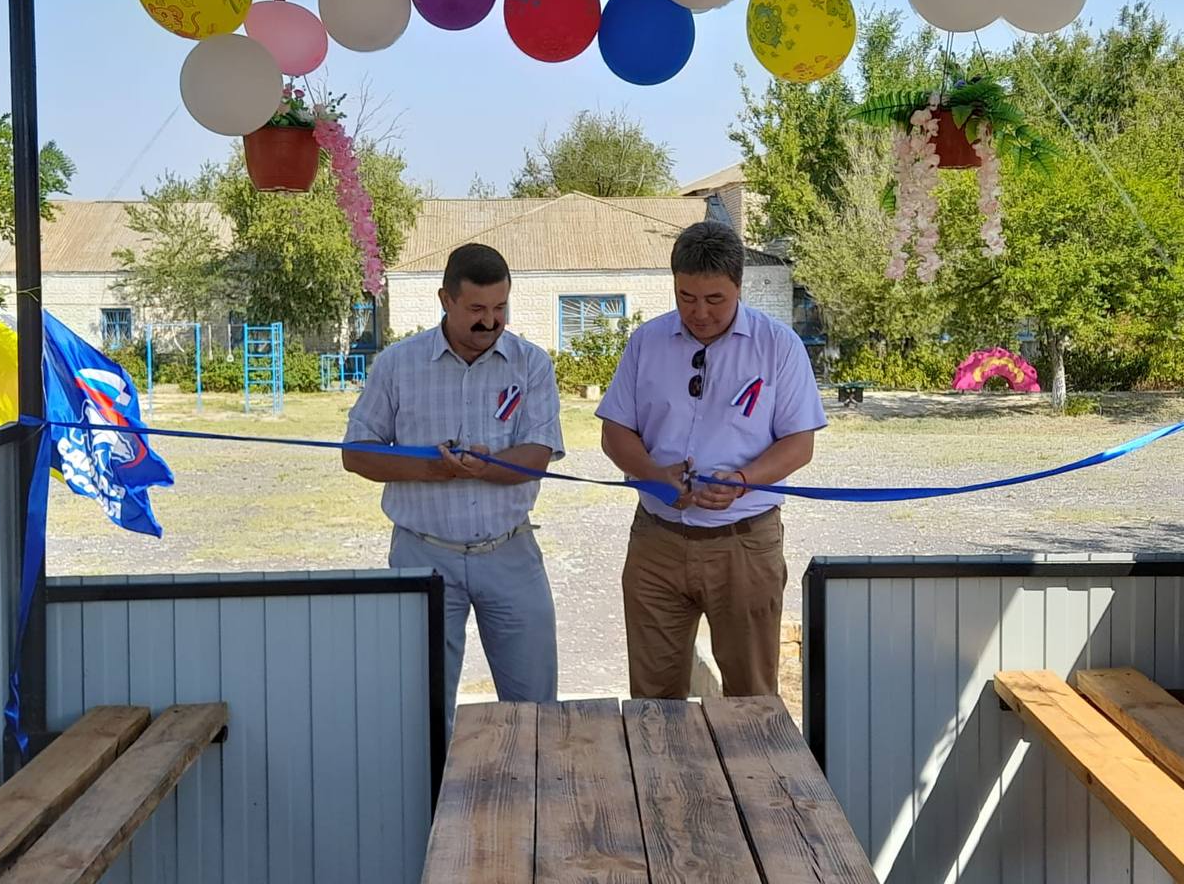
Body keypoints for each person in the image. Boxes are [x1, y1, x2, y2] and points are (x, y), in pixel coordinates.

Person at [596, 220, 826, 699]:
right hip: (657, 541)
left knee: (751, 699)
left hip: (744, 544)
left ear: (740, 287)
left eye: (714, 299)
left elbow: (799, 444)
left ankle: (749, 756)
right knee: (653, 701)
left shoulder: (778, 346)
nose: (699, 313)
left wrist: (743, 479)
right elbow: (614, 433)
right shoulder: (646, 342)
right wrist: (653, 474)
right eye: (686, 297)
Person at [342, 242, 564, 734]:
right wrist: (429, 468)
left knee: (535, 708)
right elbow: (356, 454)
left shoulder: (531, 365)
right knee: (419, 709)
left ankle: (532, 784)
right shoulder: (397, 365)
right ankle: (434, 785)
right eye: (477, 309)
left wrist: (484, 467)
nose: (491, 321)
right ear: (445, 300)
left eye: (500, 307)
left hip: (510, 553)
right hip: (423, 555)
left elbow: (538, 457)